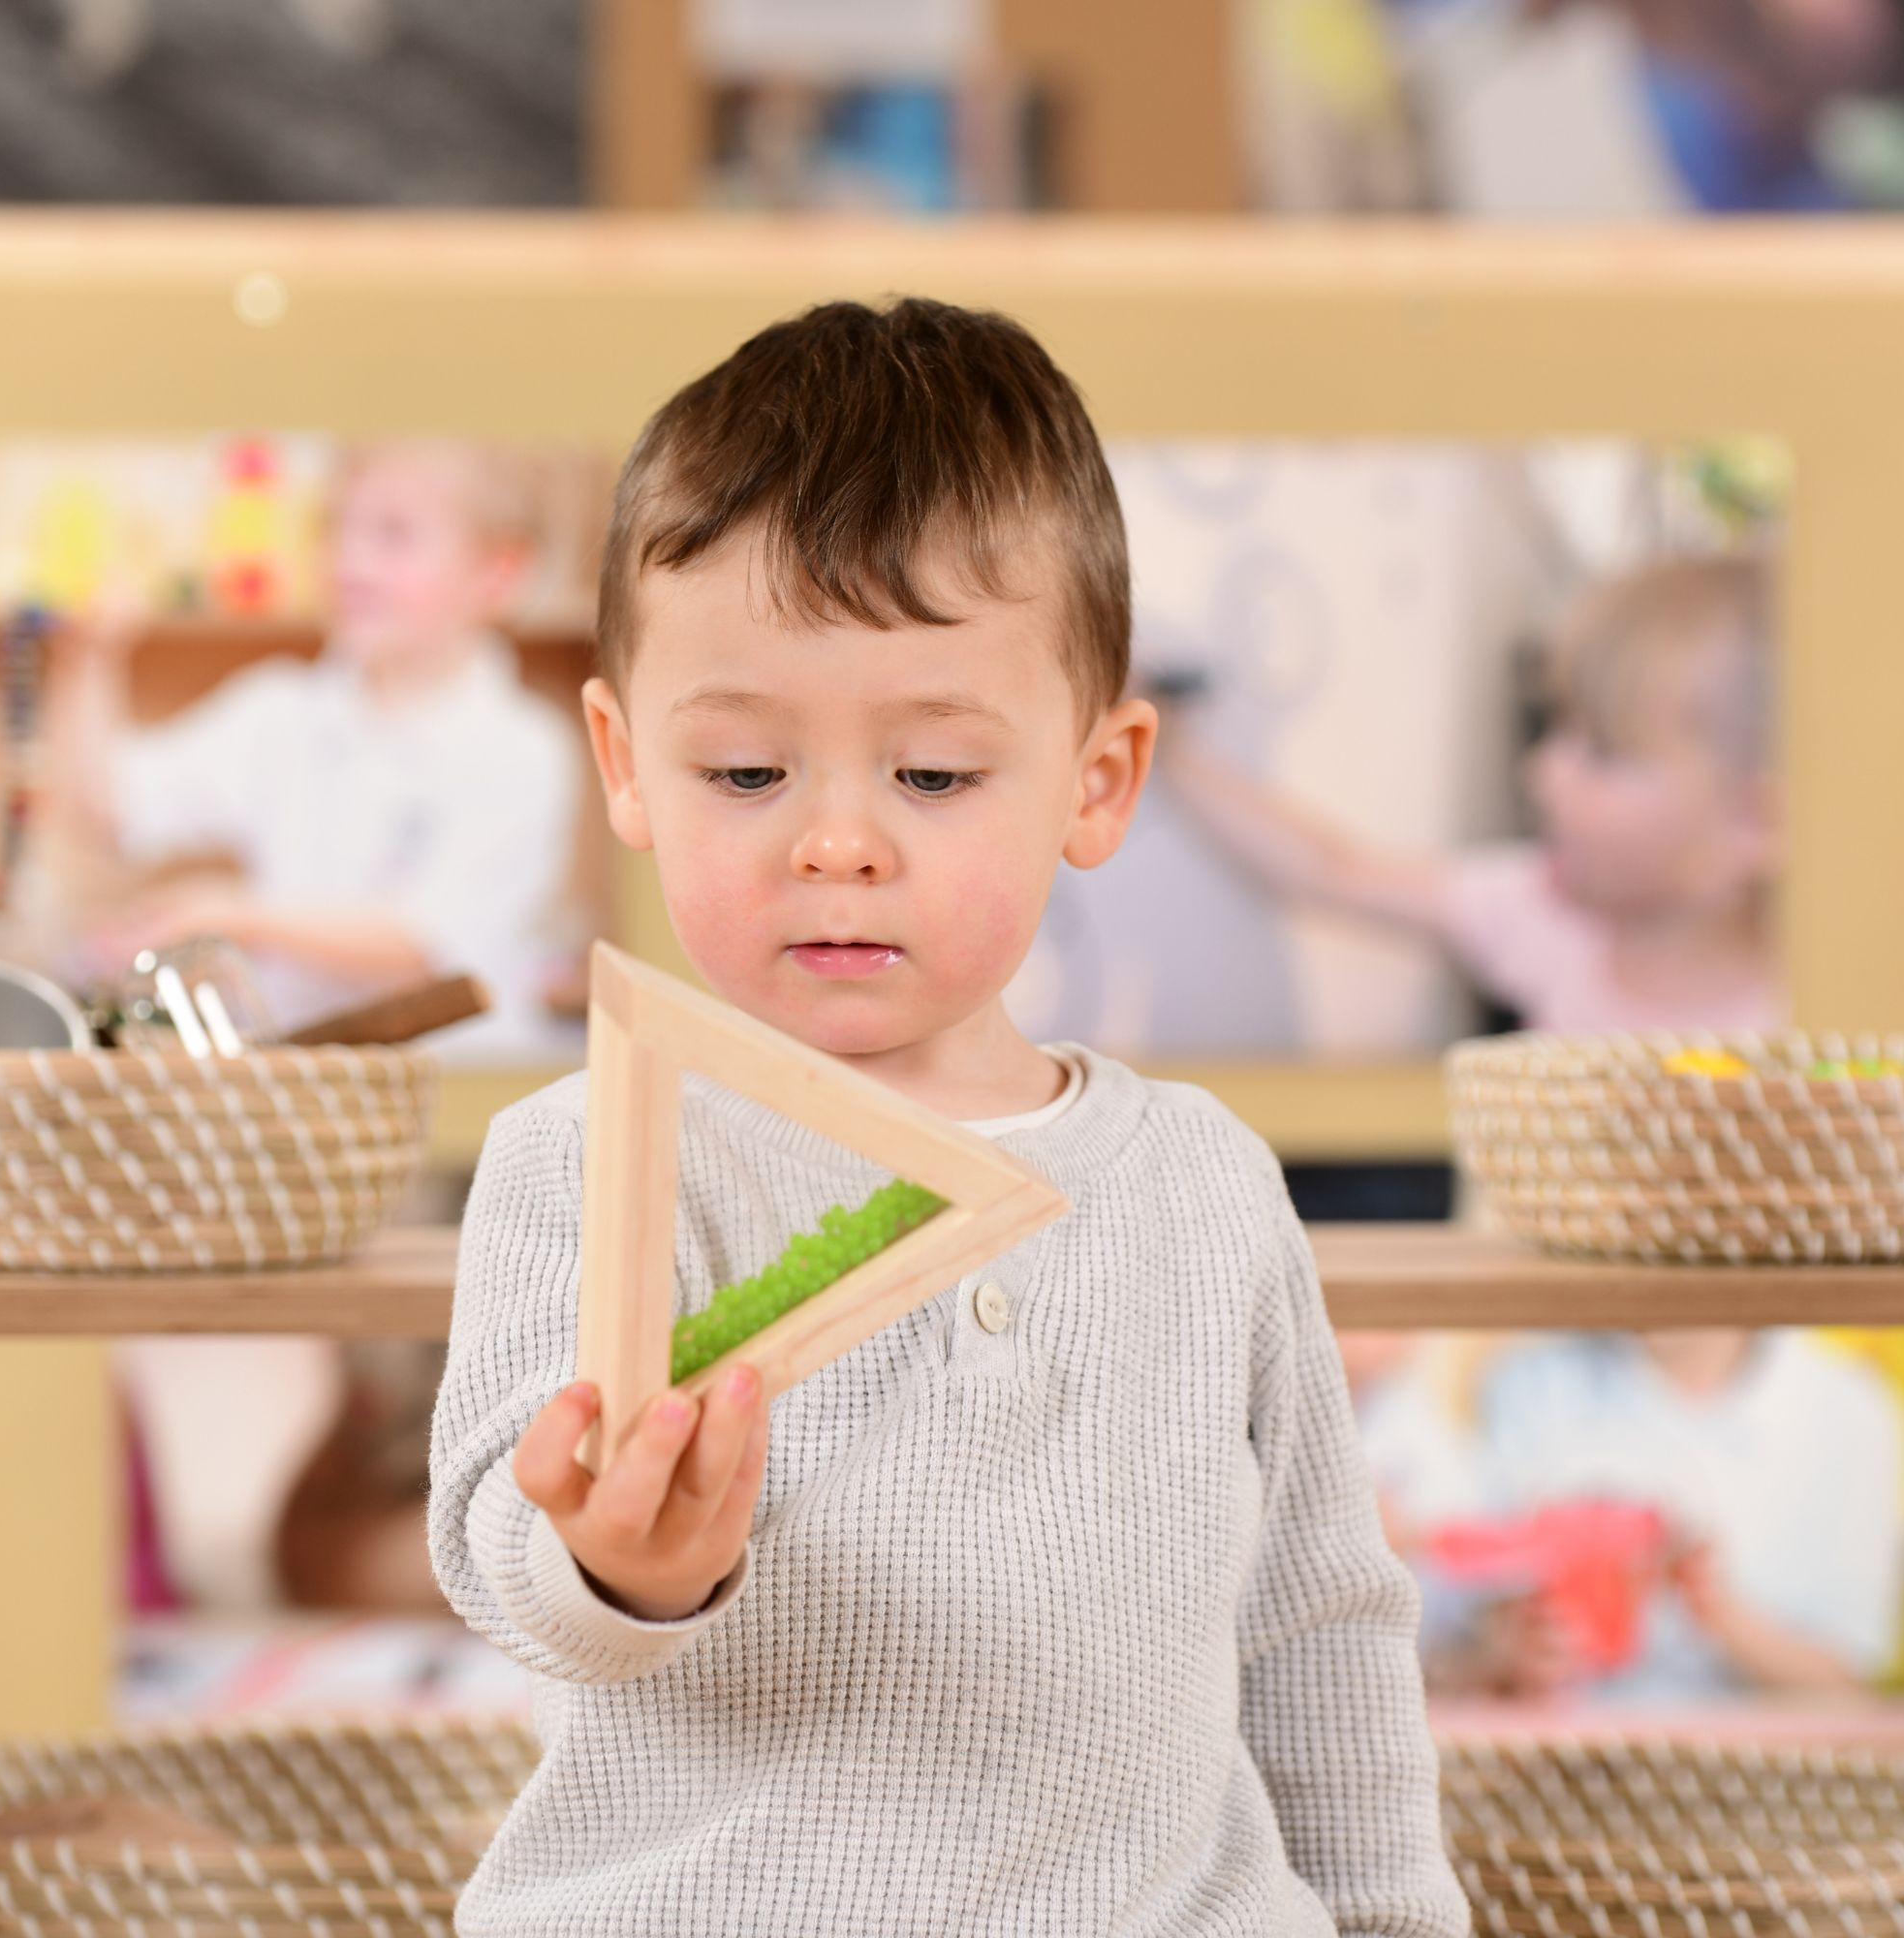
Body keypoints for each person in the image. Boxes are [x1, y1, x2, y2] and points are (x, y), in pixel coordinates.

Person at [427, 297, 1470, 1935]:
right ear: (624, 767)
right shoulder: (586, 1155)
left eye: (932, 778)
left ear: (1097, 782)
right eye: (748, 775)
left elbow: (1318, 1629)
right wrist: (623, 1563)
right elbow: (498, 1546)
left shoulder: (1201, 1186)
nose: (837, 844)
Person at [53, 437, 583, 1065]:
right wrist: (88, 656)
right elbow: (108, 806)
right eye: (338, 529)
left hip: (457, 1086)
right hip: (308, 1093)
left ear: (498, 571)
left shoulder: (524, 748)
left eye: (393, 535)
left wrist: (230, 914)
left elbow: (425, 942)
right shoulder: (279, 711)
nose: (350, 563)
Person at [1158, 551, 1782, 1034]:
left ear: (1753, 825)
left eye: (1602, 752)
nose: (1545, 772)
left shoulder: (1800, 1014)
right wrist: (1170, 748)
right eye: (1557, 729)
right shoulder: (1543, 911)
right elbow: (1336, 870)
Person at [1422, 1328, 1902, 1704]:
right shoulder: (1529, 1383)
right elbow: (1461, 1636)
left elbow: (1849, 1685)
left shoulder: (1847, 1408)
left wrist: (1716, 1610)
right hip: (1566, 1766)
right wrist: (1512, 1652)